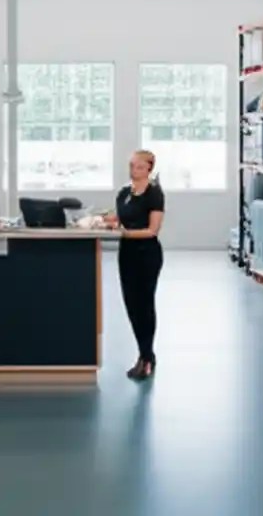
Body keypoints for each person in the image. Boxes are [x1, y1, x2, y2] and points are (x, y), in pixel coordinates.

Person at [105, 150, 165, 381]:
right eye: (132, 166)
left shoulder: (154, 194)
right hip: (127, 254)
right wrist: (110, 222)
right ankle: (145, 352)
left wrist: (127, 233)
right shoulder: (124, 193)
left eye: (139, 167)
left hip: (147, 254)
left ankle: (146, 357)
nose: (134, 170)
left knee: (144, 304)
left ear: (149, 168)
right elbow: (120, 218)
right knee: (131, 304)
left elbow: (152, 230)